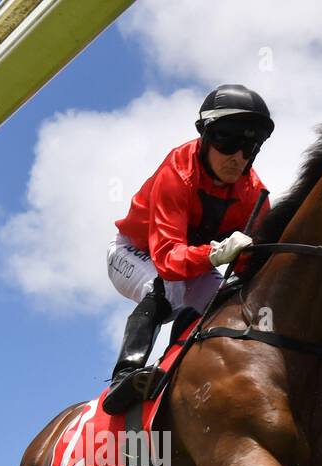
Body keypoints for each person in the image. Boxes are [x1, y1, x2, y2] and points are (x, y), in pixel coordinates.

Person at [101, 84, 273, 414]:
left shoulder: (255, 194)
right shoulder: (177, 172)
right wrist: (213, 254)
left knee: (228, 305)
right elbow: (166, 260)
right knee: (165, 289)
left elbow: (253, 268)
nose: (238, 156)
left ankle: (180, 369)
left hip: (191, 265)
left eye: (249, 147)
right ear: (205, 136)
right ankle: (124, 376)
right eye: (228, 141)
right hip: (136, 255)